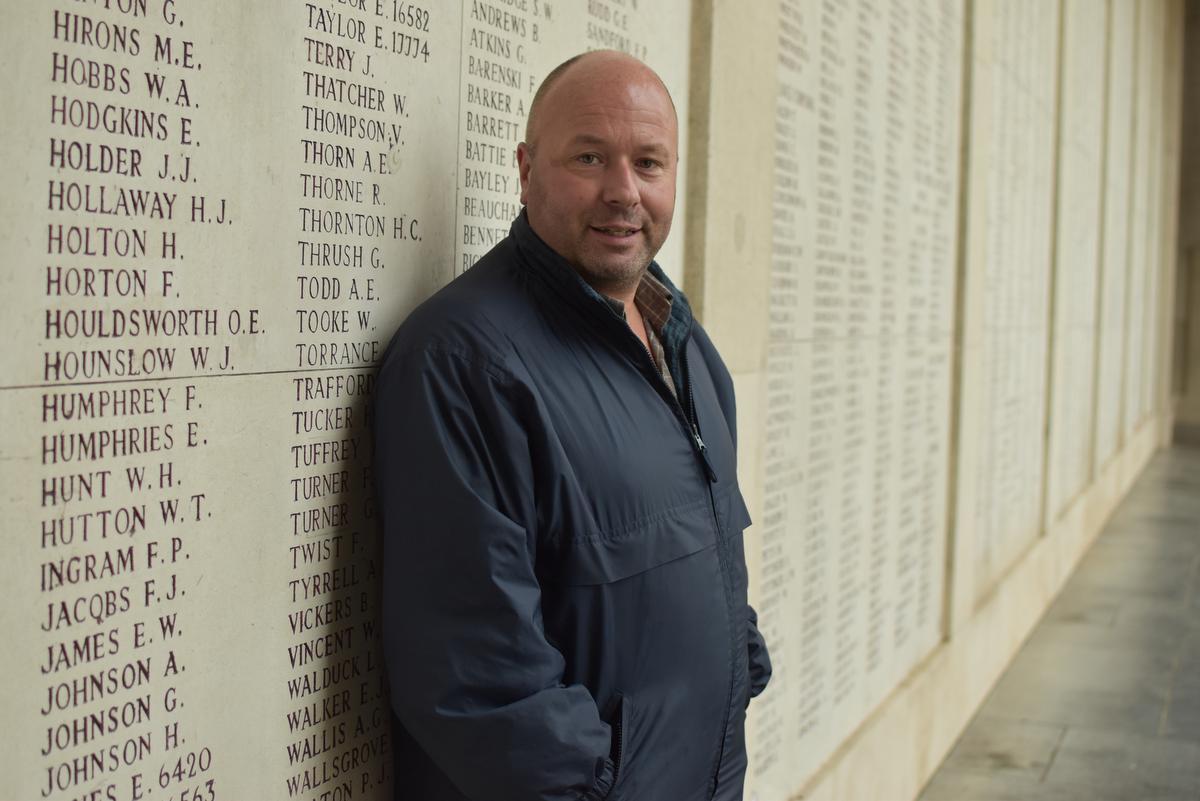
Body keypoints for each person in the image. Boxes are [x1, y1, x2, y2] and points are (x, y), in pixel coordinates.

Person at [374, 50, 771, 801]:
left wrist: (740, 665)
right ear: (525, 170)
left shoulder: (686, 346)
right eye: (589, 156)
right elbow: (478, 679)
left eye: (649, 162)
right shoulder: (463, 362)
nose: (624, 191)